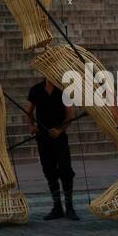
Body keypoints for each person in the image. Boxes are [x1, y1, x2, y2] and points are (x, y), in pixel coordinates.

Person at [26, 77, 78, 220]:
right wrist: (31, 126)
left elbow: (69, 115)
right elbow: (29, 111)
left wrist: (60, 130)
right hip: (43, 137)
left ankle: (70, 207)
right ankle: (57, 207)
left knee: (66, 170)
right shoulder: (36, 90)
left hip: (59, 137)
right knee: (49, 170)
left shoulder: (64, 91)